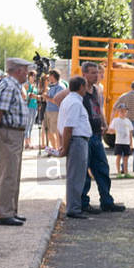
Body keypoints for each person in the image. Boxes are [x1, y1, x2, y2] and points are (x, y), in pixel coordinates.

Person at [0, 57, 32, 226]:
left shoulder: (13, 86)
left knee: (13, 174)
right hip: (8, 133)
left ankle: (11, 210)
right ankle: (4, 213)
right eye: (25, 70)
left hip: (14, 134)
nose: (27, 73)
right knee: (8, 174)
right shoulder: (8, 86)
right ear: (18, 70)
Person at [77, 62, 125, 214]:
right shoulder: (78, 91)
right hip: (85, 135)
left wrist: (105, 123)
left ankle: (106, 201)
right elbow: (59, 100)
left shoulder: (97, 90)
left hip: (97, 135)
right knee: (84, 172)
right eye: (92, 73)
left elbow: (100, 109)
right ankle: (83, 203)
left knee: (103, 168)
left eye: (97, 72)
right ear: (84, 74)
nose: (96, 75)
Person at [56, 76, 92, 219]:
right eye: (86, 86)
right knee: (76, 176)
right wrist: (64, 147)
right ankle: (74, 208)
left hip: (76, 140)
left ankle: (74, 206)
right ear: (81, 87)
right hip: (77, 141)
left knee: (75, 175)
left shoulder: (68, 100)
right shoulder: (75, 103)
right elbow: (68, 127)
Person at [42, 69, 64, 155]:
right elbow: (47, 98)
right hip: (48, 111)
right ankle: (54, 149)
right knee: (47, 131)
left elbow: (57, 101)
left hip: (55, 112)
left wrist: (46, 97)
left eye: (49, 76)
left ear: (53, 76)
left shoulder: (60, 87)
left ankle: (59, 149)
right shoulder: (51, 86)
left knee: (55, 132)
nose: (48, 78)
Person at [110, 104, 133, 175]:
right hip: (119, 142)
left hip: (126, 142)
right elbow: (111, 130)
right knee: (118, 157)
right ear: (118, 112)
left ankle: (126, 172)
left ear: (126, 112)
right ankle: (119, 172)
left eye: (125, 111)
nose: (123, 113)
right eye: (121, 111)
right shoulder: (115, 120)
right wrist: (115, 131)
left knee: (126, 158)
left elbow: (130, 132)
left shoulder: (128, 121)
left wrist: (131, 143)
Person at [23, 75, 40, 149]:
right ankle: (26, 143)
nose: (33, 77)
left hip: (34, 107)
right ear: (29, 77)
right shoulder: (27, 85)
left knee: (31, 125)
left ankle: (29, 141)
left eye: (34, 76)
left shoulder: (35, 85)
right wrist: (31, 95)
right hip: (28, 107)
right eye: (32, 76)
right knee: (27, 125)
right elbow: (25, 95)